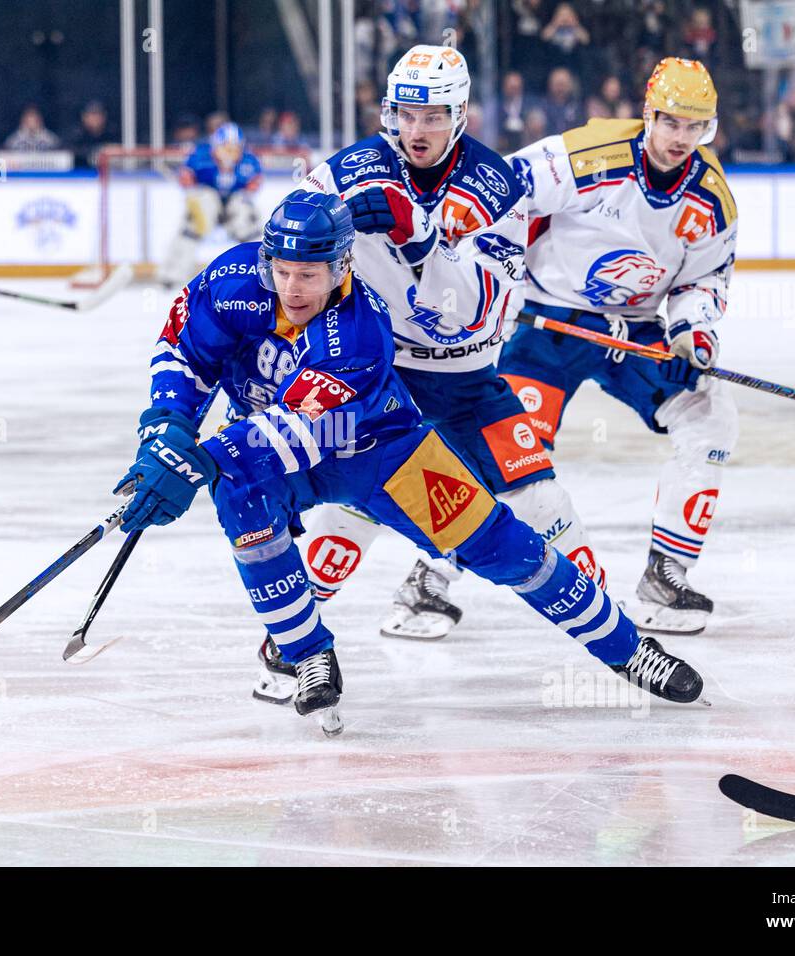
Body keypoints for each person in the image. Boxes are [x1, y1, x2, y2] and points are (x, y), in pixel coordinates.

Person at [113, 189, 704, 729]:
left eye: (309, 275)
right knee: (238, 494)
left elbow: (299, 431)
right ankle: (307, 654)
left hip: (384, 454)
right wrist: (166, 427)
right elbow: (184, 354)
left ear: (341, 266)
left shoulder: (358, 333)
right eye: (283, 271)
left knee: (506, 550)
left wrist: (198, 461)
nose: (292, 288)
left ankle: (628, 650)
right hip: (284, 443)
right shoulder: (233, 279)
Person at [291, 44, 603, 653]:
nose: (416, 130)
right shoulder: (348, 170)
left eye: (432, 116)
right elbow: (286, 251)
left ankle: (609, 627)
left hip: (465, 379)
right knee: (355, 505)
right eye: (406, 114)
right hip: (383, 375)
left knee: (540, 498)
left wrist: (417, 237)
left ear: (460, 114)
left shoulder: (497, 185)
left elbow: (469, 313)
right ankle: (291, 639)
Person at [498, 57, 738, 634]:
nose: (681, 139)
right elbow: (499, 195)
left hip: (632, 328)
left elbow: (703, 280)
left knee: (711, 417)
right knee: (504, 447)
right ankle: (433, 577)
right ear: (648, 111)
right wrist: (496, 282)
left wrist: (693, 328)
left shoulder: (711, 198)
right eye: (671, 122)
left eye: (695, 127)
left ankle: (665, 577)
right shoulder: (589, 154)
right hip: (547, 320)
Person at [158, 121, 262, 287]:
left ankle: (261, 270)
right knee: (192, 228)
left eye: (234, 148)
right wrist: (193, 195)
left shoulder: (248, 162)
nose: (230, 153)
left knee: (248, 226)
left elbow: (254, 183)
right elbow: (186, 177)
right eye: (226, 148)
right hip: (207, 202)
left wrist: (244, 196)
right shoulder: (200, 157)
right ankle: (172, 275)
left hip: (233, 204)